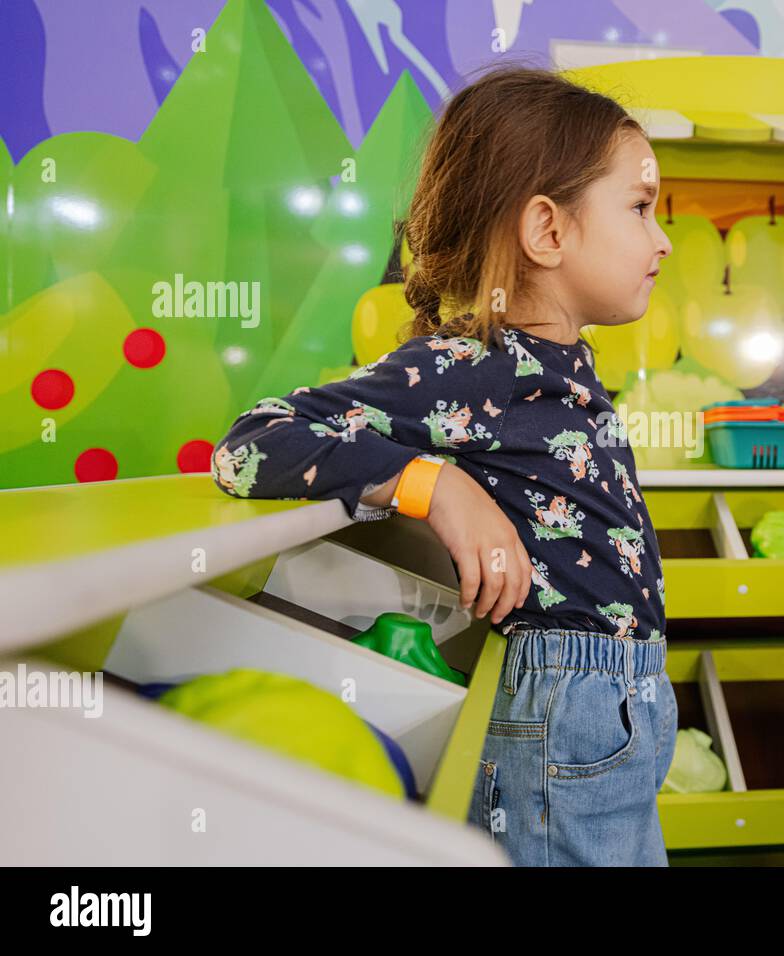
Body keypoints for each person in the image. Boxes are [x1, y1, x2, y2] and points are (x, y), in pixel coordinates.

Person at [210, 66, 678, 866]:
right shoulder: (466, 363)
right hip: (564, 716)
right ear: (547, 231)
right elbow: (251, 443)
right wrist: (436, 484)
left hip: (621, 707)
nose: (662, 238)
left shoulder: (566, 363)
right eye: (640, 208)